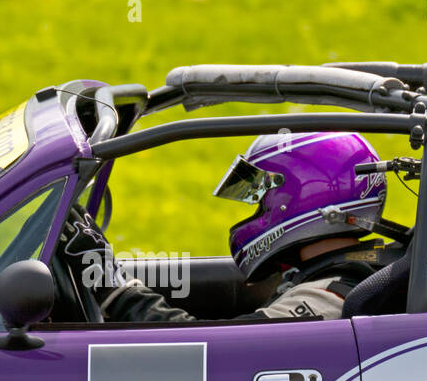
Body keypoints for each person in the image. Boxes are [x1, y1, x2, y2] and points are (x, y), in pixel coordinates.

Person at [63, 131, 393, 322]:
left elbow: (211, 352)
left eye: (259, 196)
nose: (253, 210)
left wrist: (113, 288)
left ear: (301, 195)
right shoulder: (366, 263)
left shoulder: (331, 295)